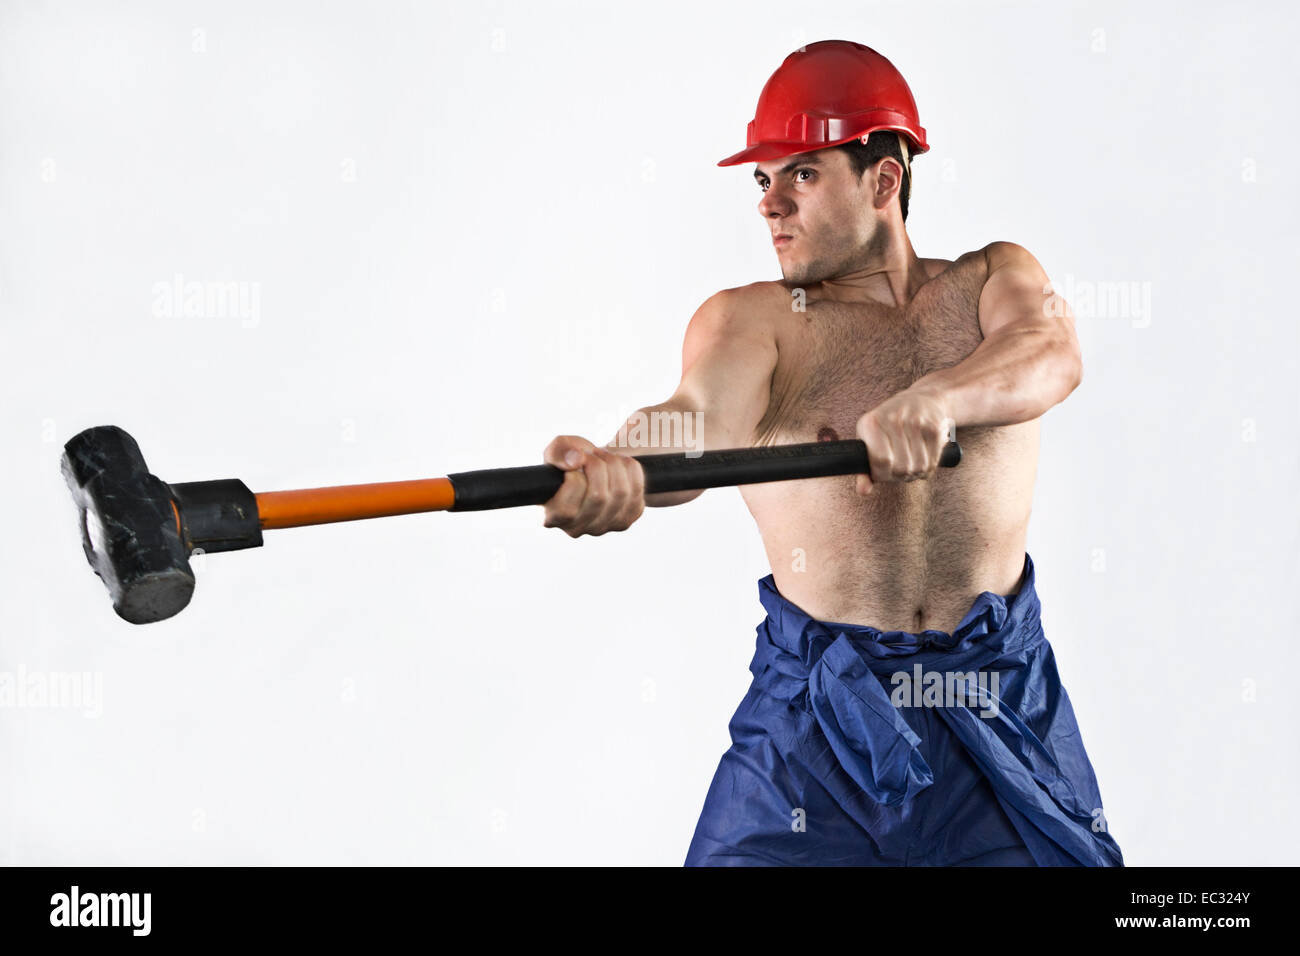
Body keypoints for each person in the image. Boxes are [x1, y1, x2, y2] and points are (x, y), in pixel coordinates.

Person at [539, 39, 1123, 866]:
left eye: (802, 173)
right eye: (762, 180)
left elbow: (1050, 352)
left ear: (884, 179)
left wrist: (939, 398)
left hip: (998, 704)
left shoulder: (993, 278)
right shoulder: (755, 321)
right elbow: (692, 417)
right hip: (814, 727)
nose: (769, 205)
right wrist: (617, 462)